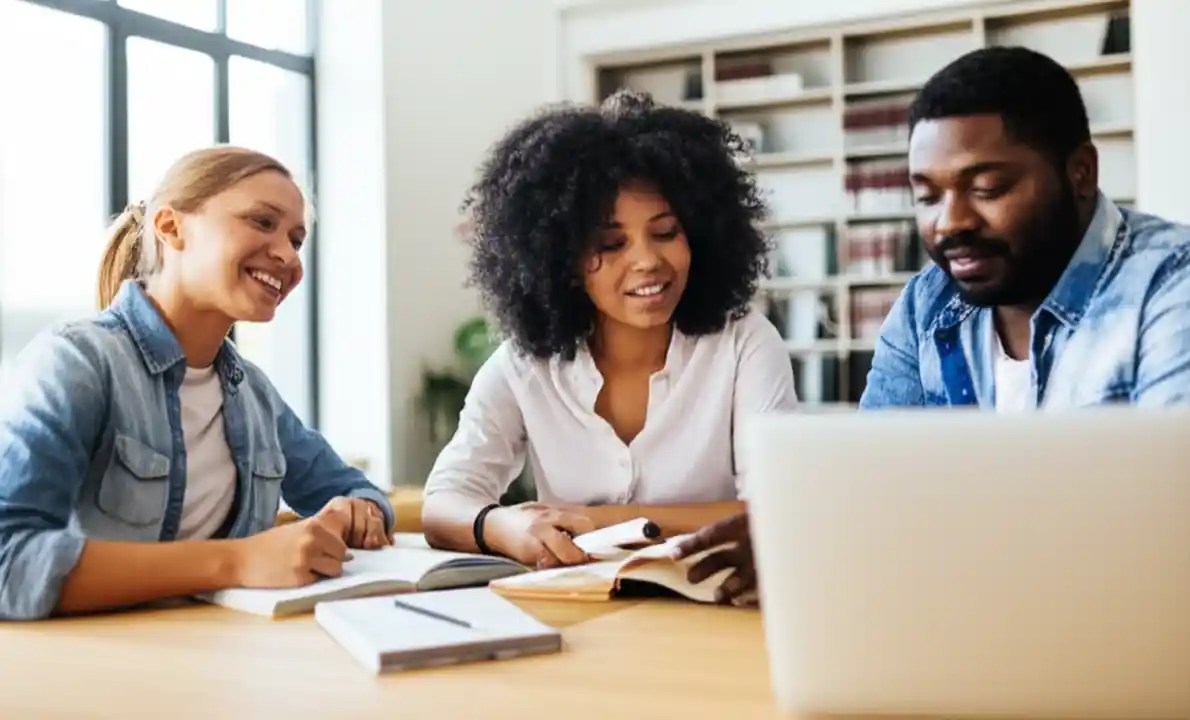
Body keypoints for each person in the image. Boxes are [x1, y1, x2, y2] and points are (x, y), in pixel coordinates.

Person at [675, 46, 1190, 602]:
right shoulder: (927, 307)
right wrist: (808, 533)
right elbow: (872, 494)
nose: (950, 222)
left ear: (1080, 174)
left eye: (987, 187)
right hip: (982, 630)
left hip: (1184, 649)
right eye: (927, 196)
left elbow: (1175, 544)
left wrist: (891, 538)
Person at [0, 146, 394, 621]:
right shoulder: (76, 362)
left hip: (214, 662)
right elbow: (9, 560)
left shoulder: (254, 395)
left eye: (296, 239)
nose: (288, 255)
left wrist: (356, 513)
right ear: (170, 228)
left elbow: (359, 491)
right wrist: (238, 560)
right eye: (262, 222)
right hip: (95, 673)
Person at [421, 90, 797, 569]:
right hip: (579, 613)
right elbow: (443, 503)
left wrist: (597, 520)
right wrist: (504, 526)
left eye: (665, 233)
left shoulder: (744, 344)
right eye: (611, 244)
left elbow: (771, 511)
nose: (647, 261)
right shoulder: (527, 364)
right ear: (565, 261)